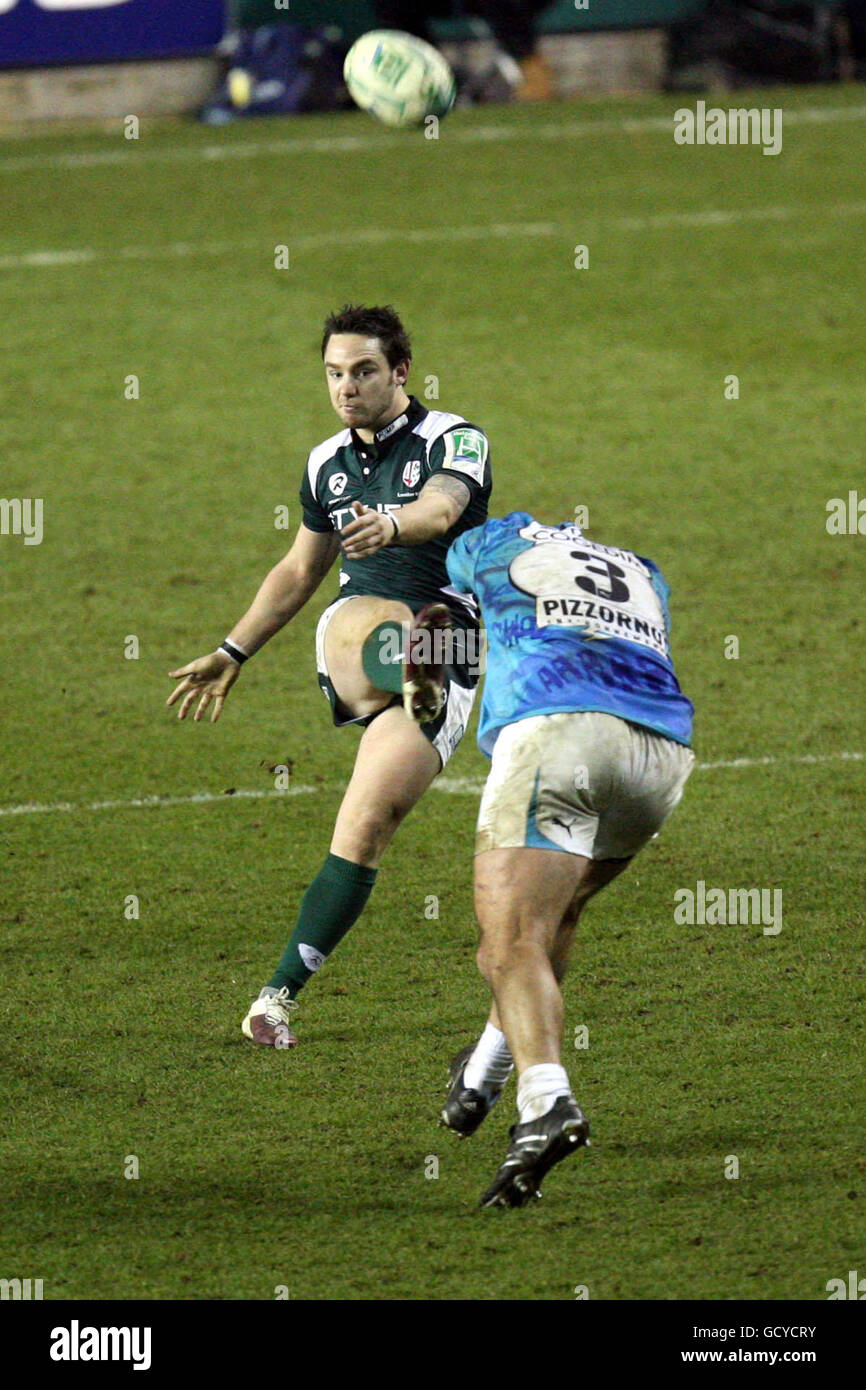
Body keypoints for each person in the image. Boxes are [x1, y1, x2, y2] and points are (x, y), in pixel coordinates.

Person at [166, 305, 492, 1048]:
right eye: (335, 374)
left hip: (441, 655)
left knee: (368, 826)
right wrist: (233, 650)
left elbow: (444, 507)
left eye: (364, 372)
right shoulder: (325, 464)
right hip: (360, 636)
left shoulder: (456, 437)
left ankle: (275, 998)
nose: (347, 388)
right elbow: (301, 569)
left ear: (400, 372)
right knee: (379, 616)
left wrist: (397, 524)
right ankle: (429, 661)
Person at [441, 511, 695, 1207]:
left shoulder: (487, 543)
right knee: (561, 911)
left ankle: (547, 1101)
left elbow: (439, 599)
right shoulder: (642, 569)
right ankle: (485, 1073)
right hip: (660, 757)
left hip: (558, 732)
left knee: (508, 945)